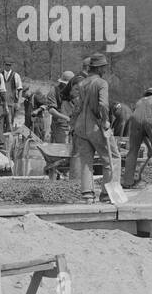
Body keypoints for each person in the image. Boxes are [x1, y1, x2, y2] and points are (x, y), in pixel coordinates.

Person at [71, 54, 112, 204]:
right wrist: (106, 120)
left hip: (81, 126)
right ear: (99, 68)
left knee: (86, 161)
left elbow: (78, 106)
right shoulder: (101, 83)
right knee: (111, 158)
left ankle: (87, 195)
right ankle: (107, 194)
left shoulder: (81, 84)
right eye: (104, 67)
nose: (105, 70)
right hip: (95, 125)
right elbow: (103, 105)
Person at [123, 87, 152, 188]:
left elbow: (142, 133)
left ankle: (127, 181)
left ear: (146, 94)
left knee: (133, 151)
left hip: (135, 121)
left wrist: (149, 148)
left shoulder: (139, 101)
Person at [0, 59, 25, 142]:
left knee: (9, 122)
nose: (8, 66)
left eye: (9, 65)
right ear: (4, 65)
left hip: (11, 103)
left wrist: (18, 102)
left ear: (11, 65)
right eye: (6, 64)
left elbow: (20, 89)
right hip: (0, 103)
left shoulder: (15, 75)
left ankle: (8, 142)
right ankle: (0, 142)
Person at [44, 70, 76, 146]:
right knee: (60, 148)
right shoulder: (54, 91)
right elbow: (51, 110)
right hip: (59, 125)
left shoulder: (75, 91)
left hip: (73, 125)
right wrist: (65, 117)